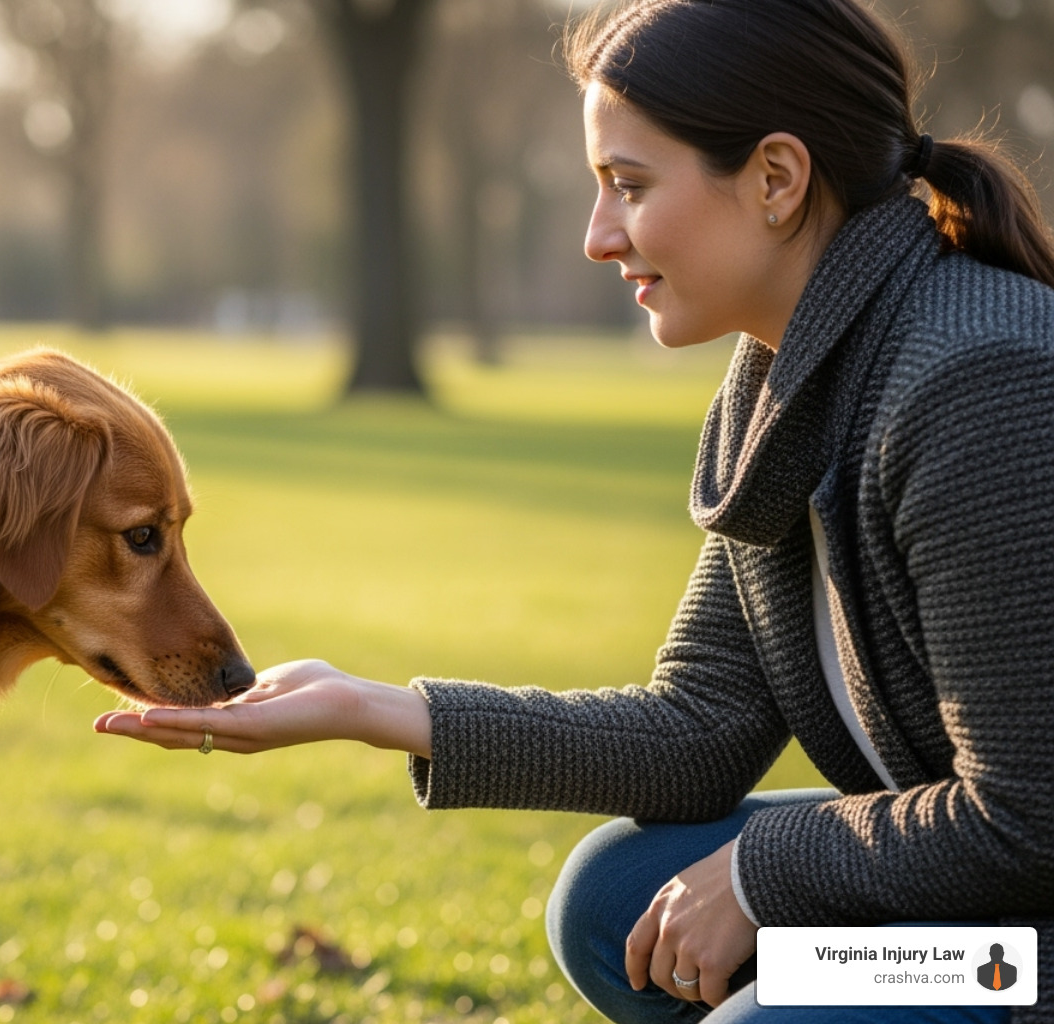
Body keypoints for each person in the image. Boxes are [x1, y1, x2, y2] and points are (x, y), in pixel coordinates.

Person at [96, 0, 1054, 1020]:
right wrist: (374, 707)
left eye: (629, 187)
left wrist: (766, 872)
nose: (600, 237)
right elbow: (701, 730)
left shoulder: (977, 382)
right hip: (994, 938)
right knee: (612, 900)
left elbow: (1030, 817)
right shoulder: (784, 377)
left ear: (777, 179)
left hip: (1019, 946)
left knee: (756, 1004)